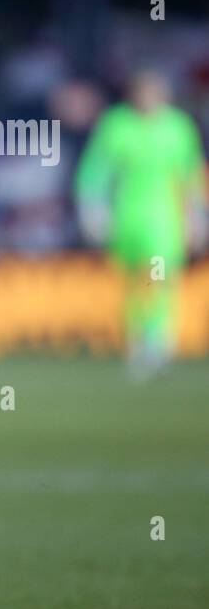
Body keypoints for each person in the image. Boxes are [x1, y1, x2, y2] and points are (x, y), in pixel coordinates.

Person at [75, 69, 208, 379]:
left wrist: (198, 215)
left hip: (165, 219)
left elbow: (192, 175)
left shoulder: (178, 127)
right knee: (135, 280)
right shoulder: (117, 125)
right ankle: (137, 340)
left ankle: (158, 339)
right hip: (127, 217)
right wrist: (92, 209)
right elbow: (95, 170)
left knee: (160, 276)